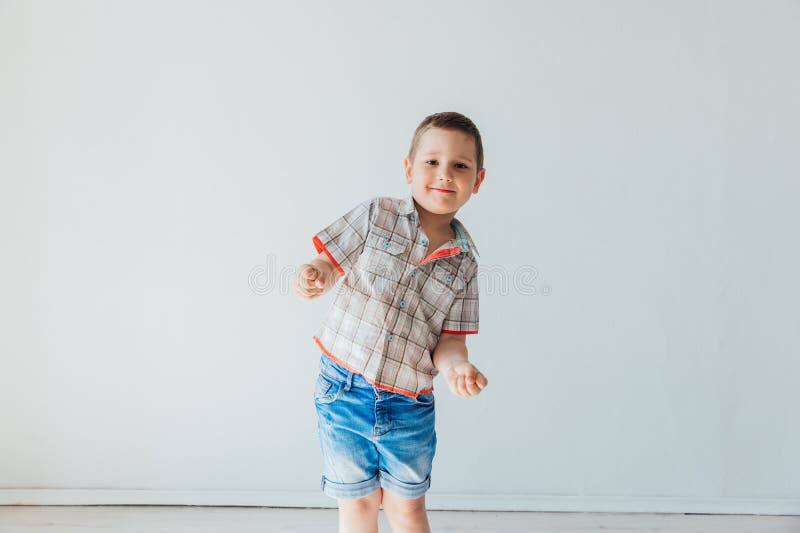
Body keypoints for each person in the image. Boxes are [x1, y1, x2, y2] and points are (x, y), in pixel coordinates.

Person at [294, 111, 488, 533]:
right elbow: (329, 263)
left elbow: (450, 342)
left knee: (406, 508)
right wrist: (316, 274)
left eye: (460, 166)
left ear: (478, 180)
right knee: (359, 504)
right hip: (343, 388)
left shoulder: (466, 264)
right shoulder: (376, 215)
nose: (445, 174)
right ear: (408, 168)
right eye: (432, 162)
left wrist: (457, 368)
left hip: (408, 406)